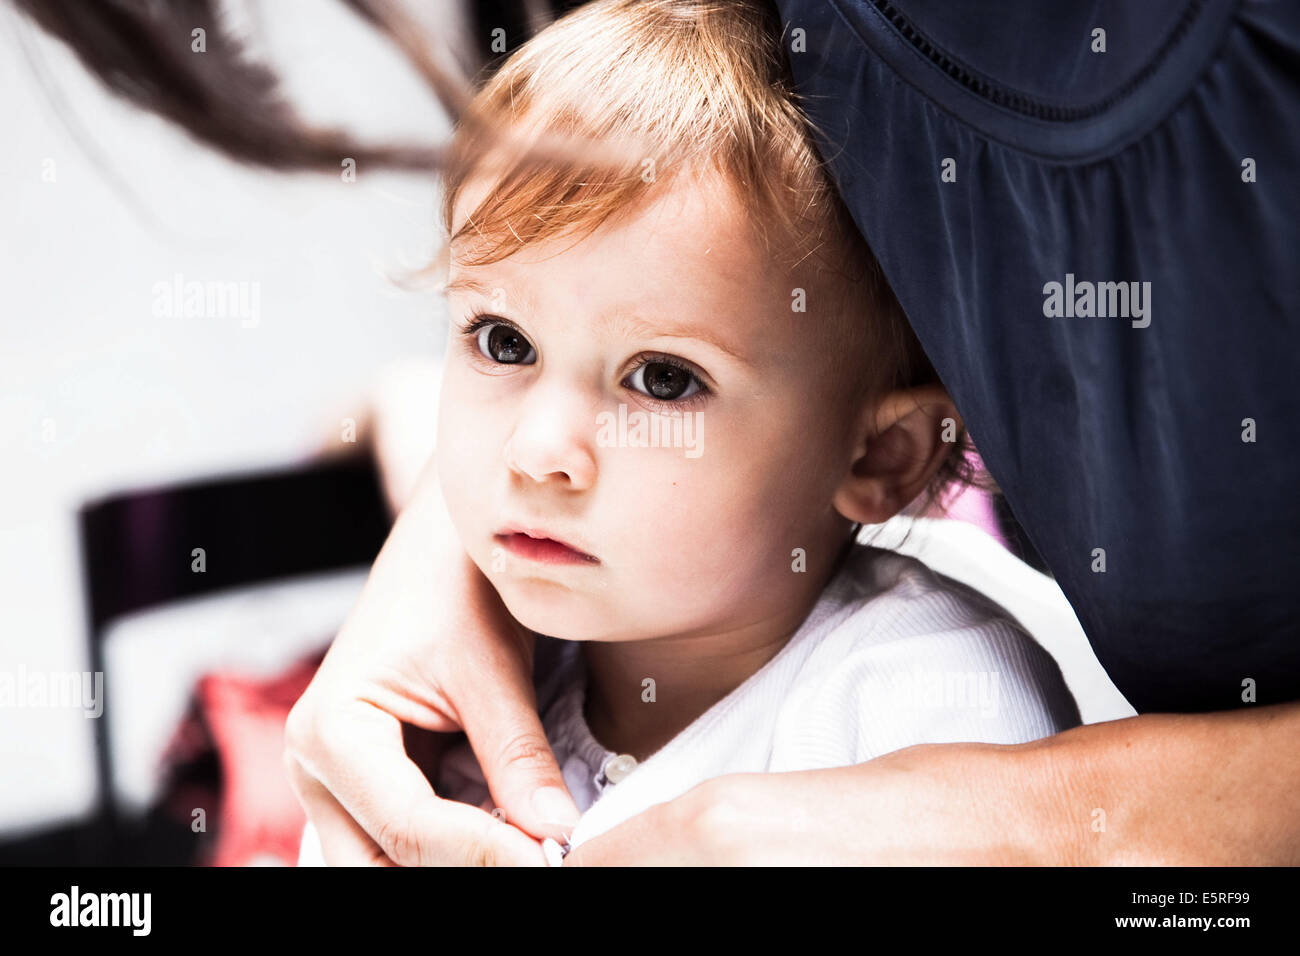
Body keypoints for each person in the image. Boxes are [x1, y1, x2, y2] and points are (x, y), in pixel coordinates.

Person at [292, 0, 1082, 864]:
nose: (539, 451)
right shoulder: (441, 691)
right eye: (503, 341)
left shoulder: (925, 699)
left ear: (879, 454)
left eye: (664, 379)